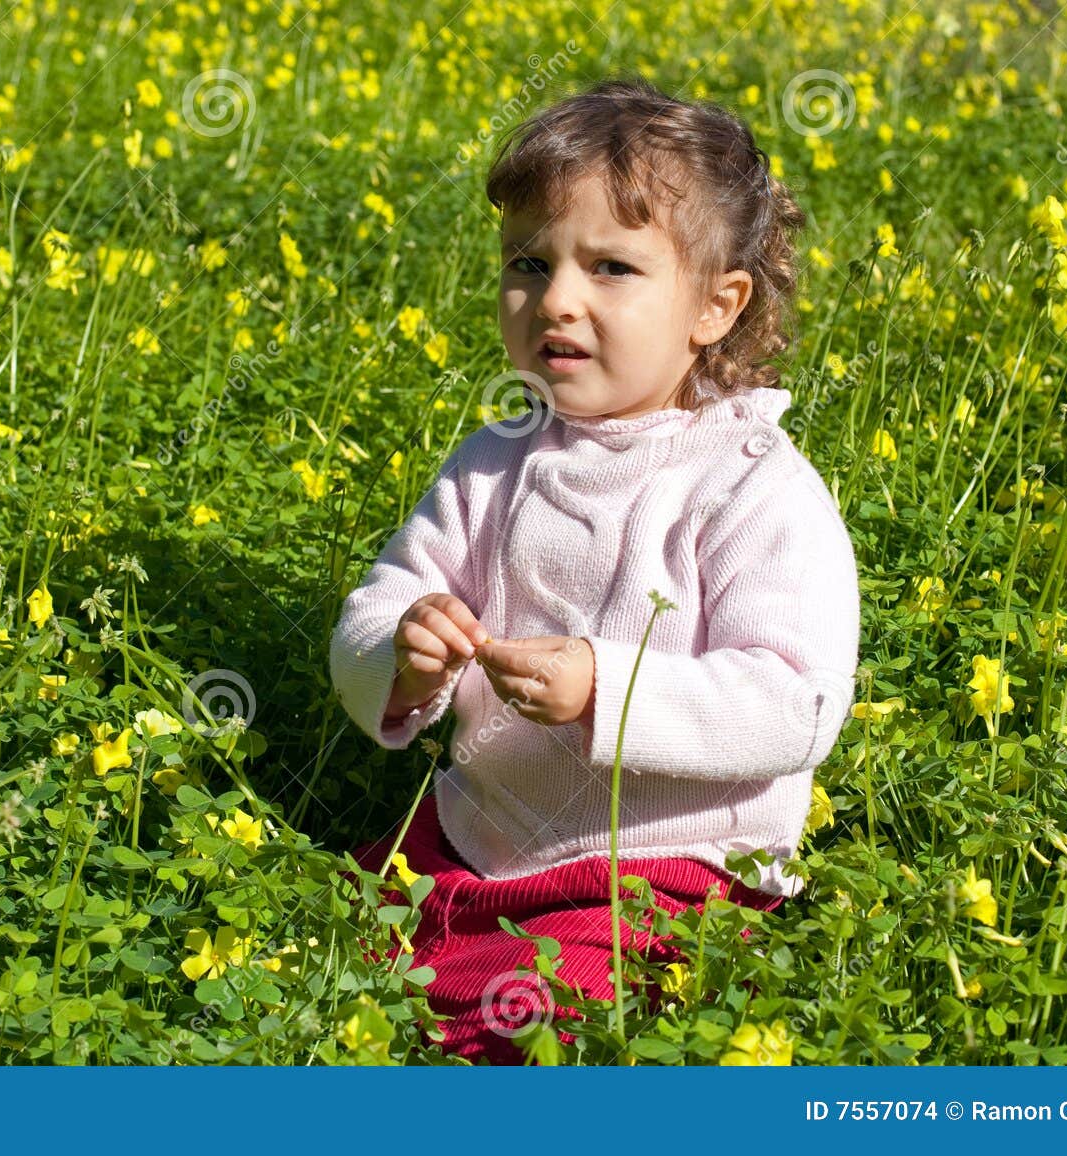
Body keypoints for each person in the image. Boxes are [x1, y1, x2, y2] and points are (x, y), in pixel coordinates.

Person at [329, 74, 861, 1064]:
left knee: (533, 1020)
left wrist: (601, 689)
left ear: (715, 304)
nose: (555, 299)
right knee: (326, 943)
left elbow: (797, 702)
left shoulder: (752, 485)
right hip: (477, 833)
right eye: (528, 262)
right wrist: (405, 655)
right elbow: (382, 602)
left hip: (664, 867)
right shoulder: (496, 457)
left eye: (611, 268)